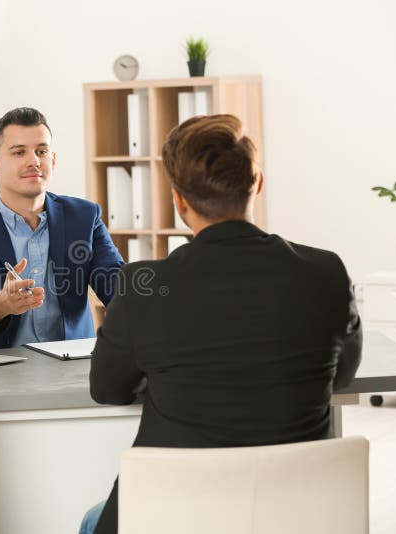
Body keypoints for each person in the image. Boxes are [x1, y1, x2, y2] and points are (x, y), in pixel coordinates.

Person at [82, 115, 363, 534]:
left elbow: (107, 389)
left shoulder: (144, 286)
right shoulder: (327, 273)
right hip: (295, 515)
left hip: (175, 516)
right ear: (258, 183)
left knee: (92, 519)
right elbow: (341, 374)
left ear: (178, 202)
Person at [0, 107, 124, 349]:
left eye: (41, 151)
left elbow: (115, 283)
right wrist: (0, 303)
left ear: (53, 160)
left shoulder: (85, 217)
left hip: (70, 370)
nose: (33, 161)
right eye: (19, 152)